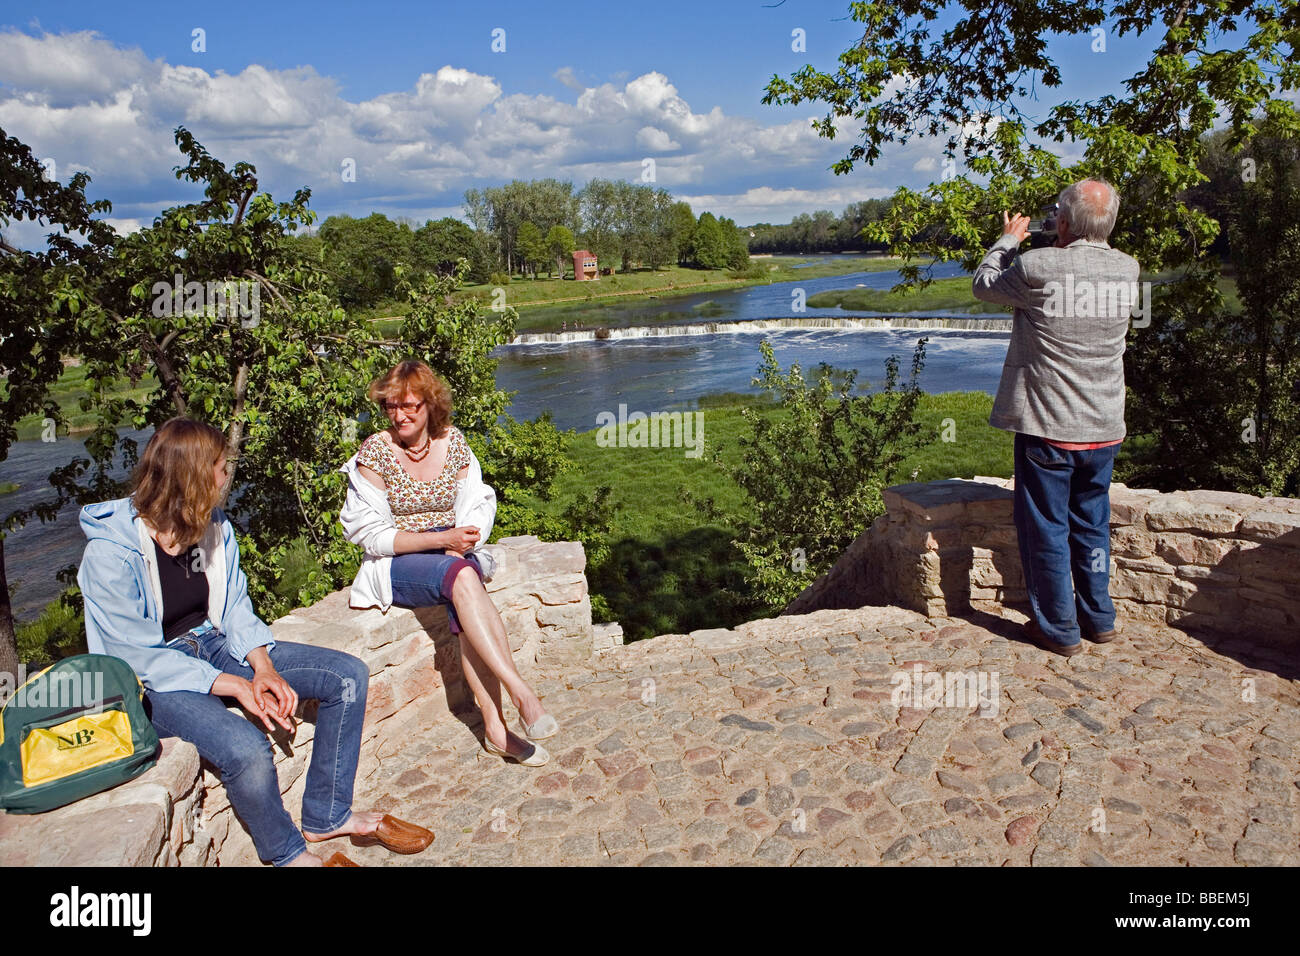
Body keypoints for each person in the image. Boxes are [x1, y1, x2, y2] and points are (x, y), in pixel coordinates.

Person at [77, 418, 434, 866]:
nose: (228, 475)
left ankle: (327, 816)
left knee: (346, 677)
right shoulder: (110, 553)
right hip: (155, 678)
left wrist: (262, 668)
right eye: (222, 466)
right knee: (246, 749)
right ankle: (288, 855)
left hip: (215, 642)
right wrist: (235, 686)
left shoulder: (212, 526)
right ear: (195, 475)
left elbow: (234, 609)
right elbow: (136, 656)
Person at [339, 359, 558, 766]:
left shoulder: (453, 443)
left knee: (464, 582)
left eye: (409, 406)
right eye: (390, 406)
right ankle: (521, 691)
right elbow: (368, 534)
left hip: (453, 556)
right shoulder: (375, 452)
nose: (399, 415)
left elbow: (478, 502)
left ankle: (496, 730)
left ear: (430, 405)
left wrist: (466, 537)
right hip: (399, 562)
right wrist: (443, 540)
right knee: (461, 574)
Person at [972, 179, 1141, 656]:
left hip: (1049, 426)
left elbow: (983, 286)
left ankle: (1060, 630)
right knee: (1091, 526)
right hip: (1104, 427)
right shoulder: (1127, 269)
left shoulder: (1036, 265)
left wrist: (1009, 239)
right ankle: (1099, 618)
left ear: (1062, 222)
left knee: (1046, 528)